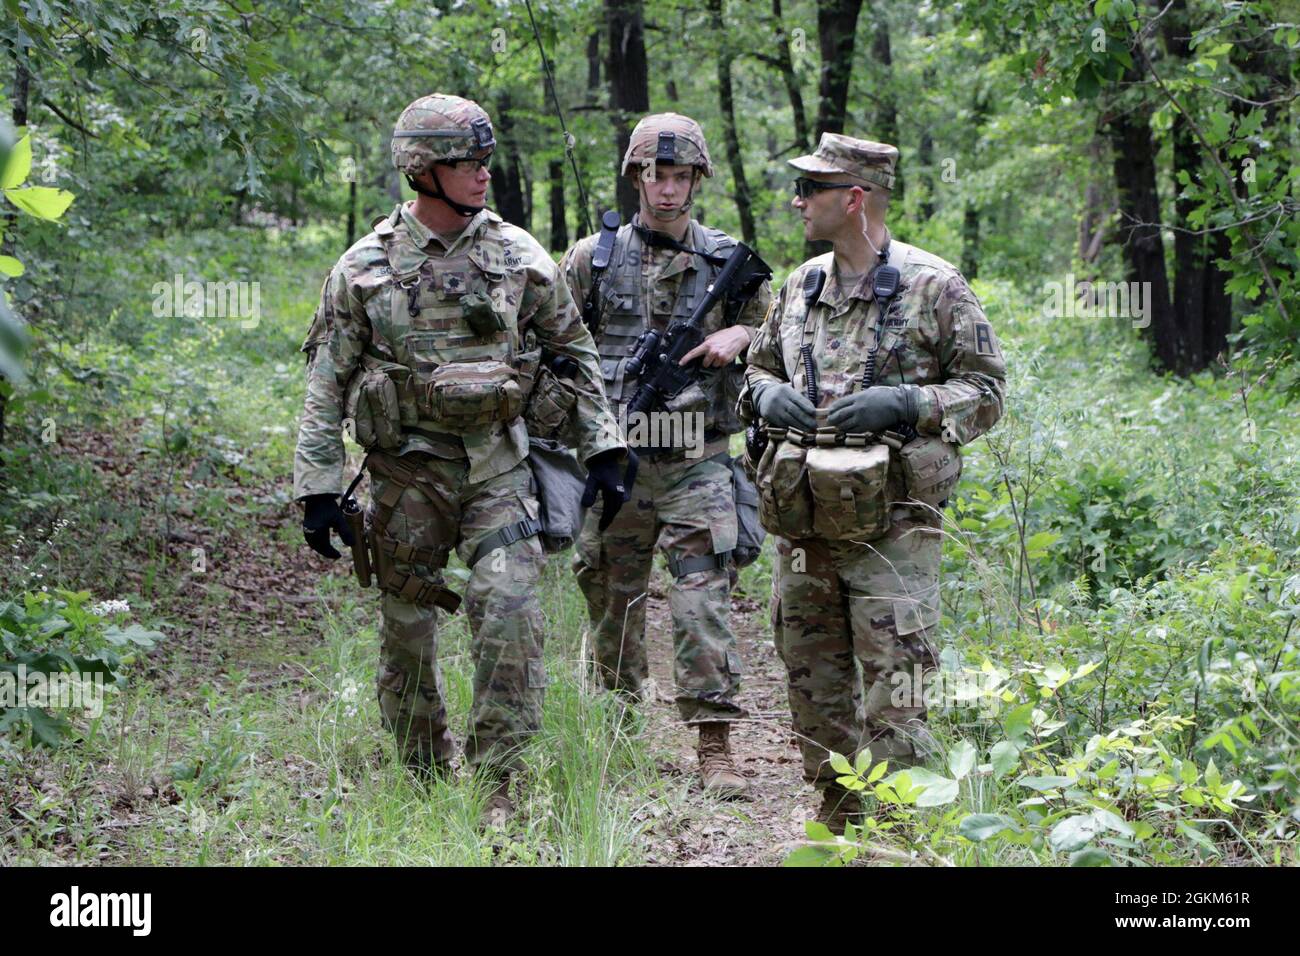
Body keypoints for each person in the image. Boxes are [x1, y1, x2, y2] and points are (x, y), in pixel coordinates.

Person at [293, 94, 631, 828]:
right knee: (407, 635)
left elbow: (575, 354)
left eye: (485, 161)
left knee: (510, 613)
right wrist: (316, 488)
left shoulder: (517, 255)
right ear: (421, 169)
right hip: (406, 477)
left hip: (497, 471)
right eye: (465, 163)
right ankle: (421, 771)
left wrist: (602, 445)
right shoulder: (364, 267)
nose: (483, 175)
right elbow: (327, 382)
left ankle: (497, 782)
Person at [741, 132, 1007, 830]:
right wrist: (765, 397)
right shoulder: (802, 286)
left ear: (854, 199)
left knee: (898, 686)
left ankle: (903, 832)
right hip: (803, 525)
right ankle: (840, 817)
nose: (798, 200)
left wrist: (911, 402)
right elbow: (760, 368)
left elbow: (986, 394)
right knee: (811, 684)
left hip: (895, 529)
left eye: (813, 189)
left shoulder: (934, 286)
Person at [560, 114, 773, 798]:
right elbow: (554, 349)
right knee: (609, 597)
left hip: (699, 459)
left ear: (698, 180)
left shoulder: (728, 261)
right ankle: (616, 729)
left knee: (702, 599)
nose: (668, 189)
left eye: (681, 176)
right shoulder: (590, 260)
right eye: (655, 174)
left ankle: (714, 747)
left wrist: (741, 333)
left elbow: (784, 337)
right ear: (635, 177)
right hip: (616, 461)